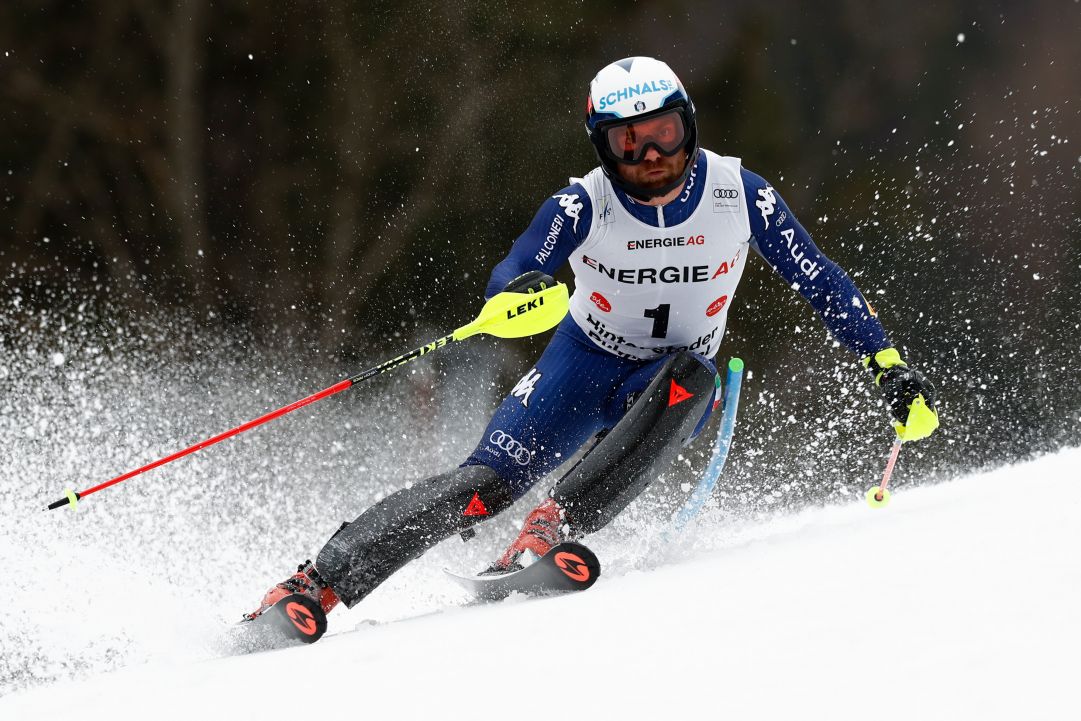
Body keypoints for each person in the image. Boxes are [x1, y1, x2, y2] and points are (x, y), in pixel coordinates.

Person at [246, 56, 939, 622]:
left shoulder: (739, 193)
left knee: (690, 377)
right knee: (481, 484)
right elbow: (519, 264)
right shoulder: (584, 202)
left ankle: (552, 527)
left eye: (664, 131)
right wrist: (515, 293)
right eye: (626, 141)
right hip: (579, 362)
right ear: (600, 146)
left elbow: (818, 277)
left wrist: (886, 365)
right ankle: (312, 585)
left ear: (687, 125)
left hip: (664, 383)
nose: (650, 155)